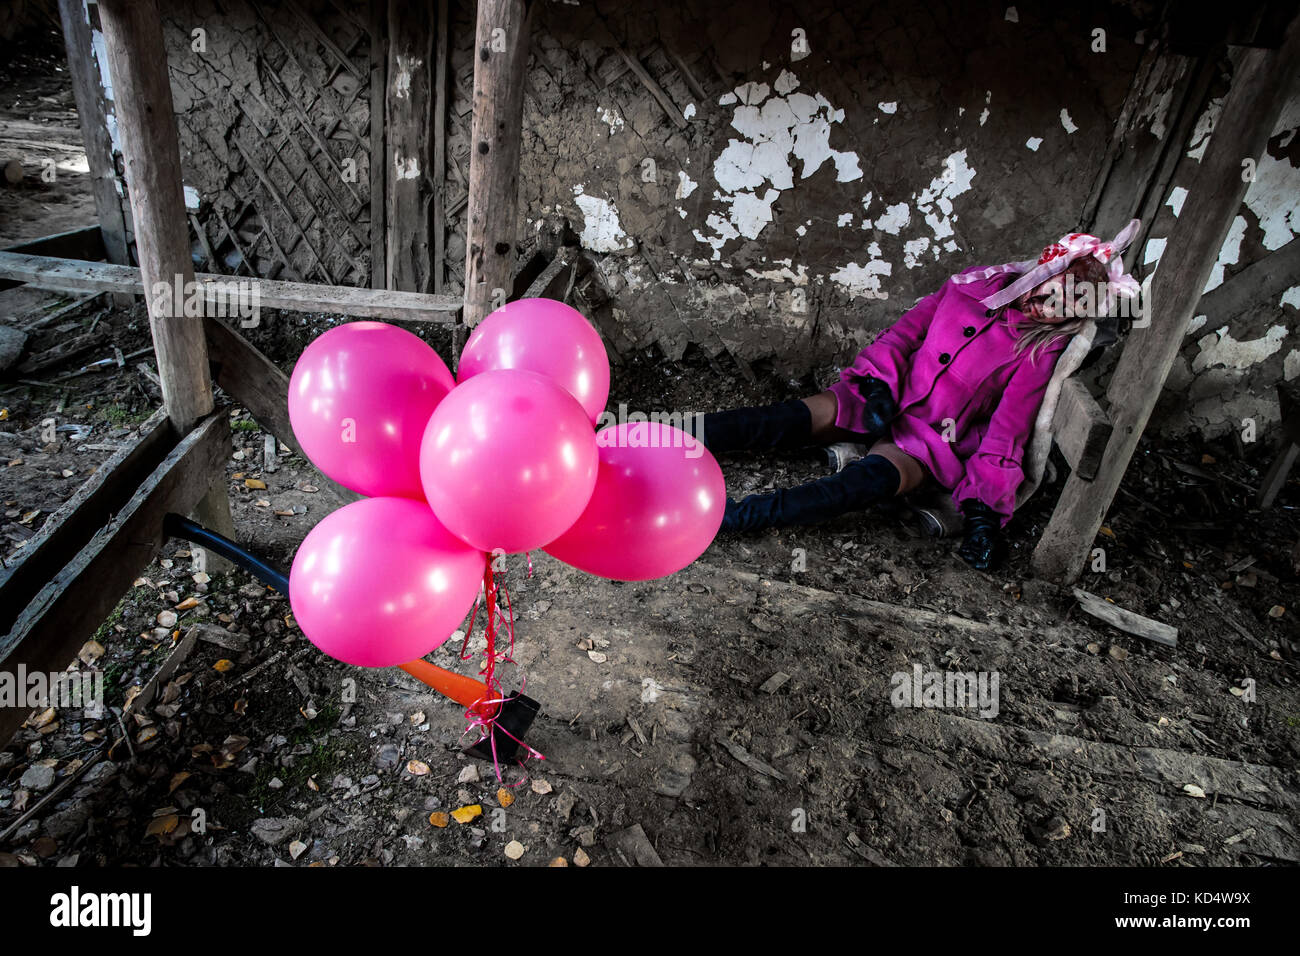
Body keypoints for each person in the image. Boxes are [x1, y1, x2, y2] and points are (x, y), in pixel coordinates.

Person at [701, 222, 1141, 570]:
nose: (1043, 310)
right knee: (781, 420)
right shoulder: (969, 287)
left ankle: (734, 518)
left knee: (858, 486)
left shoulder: (1039, 351)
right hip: (882, 396)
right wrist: (876, 387)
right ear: (1047, 269)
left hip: (929, 442)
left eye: (1061, 310)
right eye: (1049, 294)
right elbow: (902, 336)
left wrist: (984, 517)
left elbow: (1007, 431)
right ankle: (664, 434)